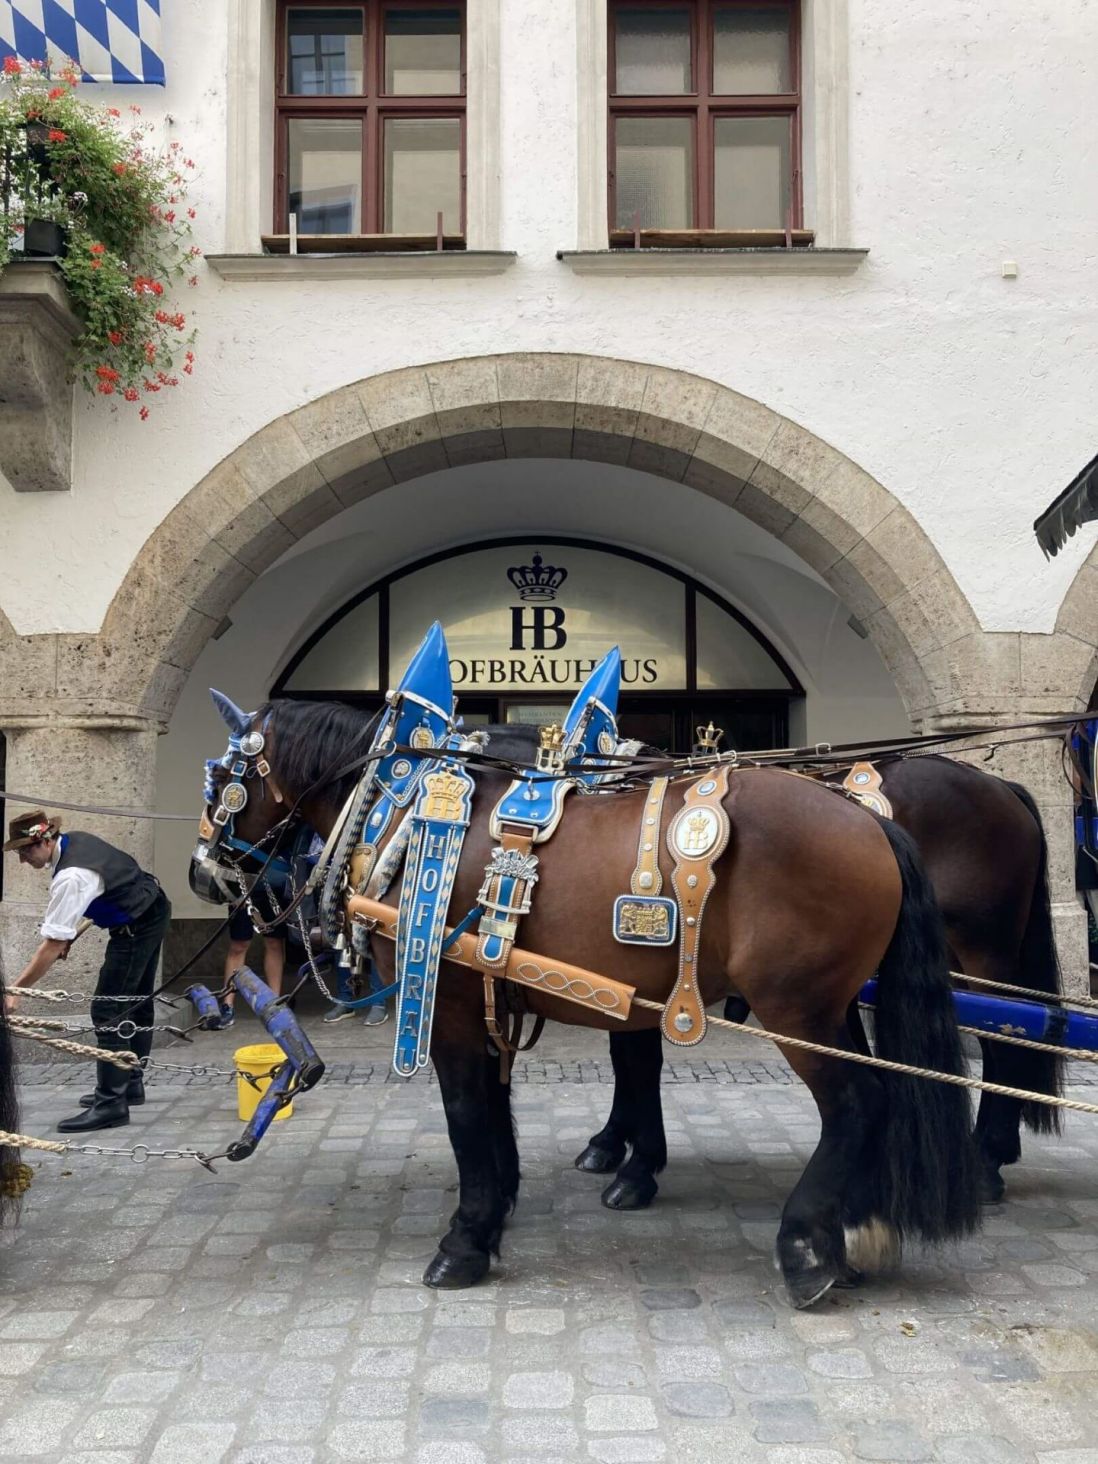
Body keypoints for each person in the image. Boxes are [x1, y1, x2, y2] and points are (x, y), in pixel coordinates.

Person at [3, 810, 170, 1133]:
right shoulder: (75, 842)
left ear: (45, 839)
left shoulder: (71, 876)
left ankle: (111, 1104)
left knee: (109, 1009)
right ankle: (131, 1083)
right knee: (134, 1001)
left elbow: (50, 946)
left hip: (137, 925)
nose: (22, 860)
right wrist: (72, 936)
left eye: (25, 850)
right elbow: (111, 885)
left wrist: (16, 990)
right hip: (152, 908)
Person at [219, 884, 288, 1028]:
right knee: (239, 944)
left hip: (274, 881)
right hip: (241, 883)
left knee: (274, 942)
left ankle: (274, 1001)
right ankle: (227, 1005)